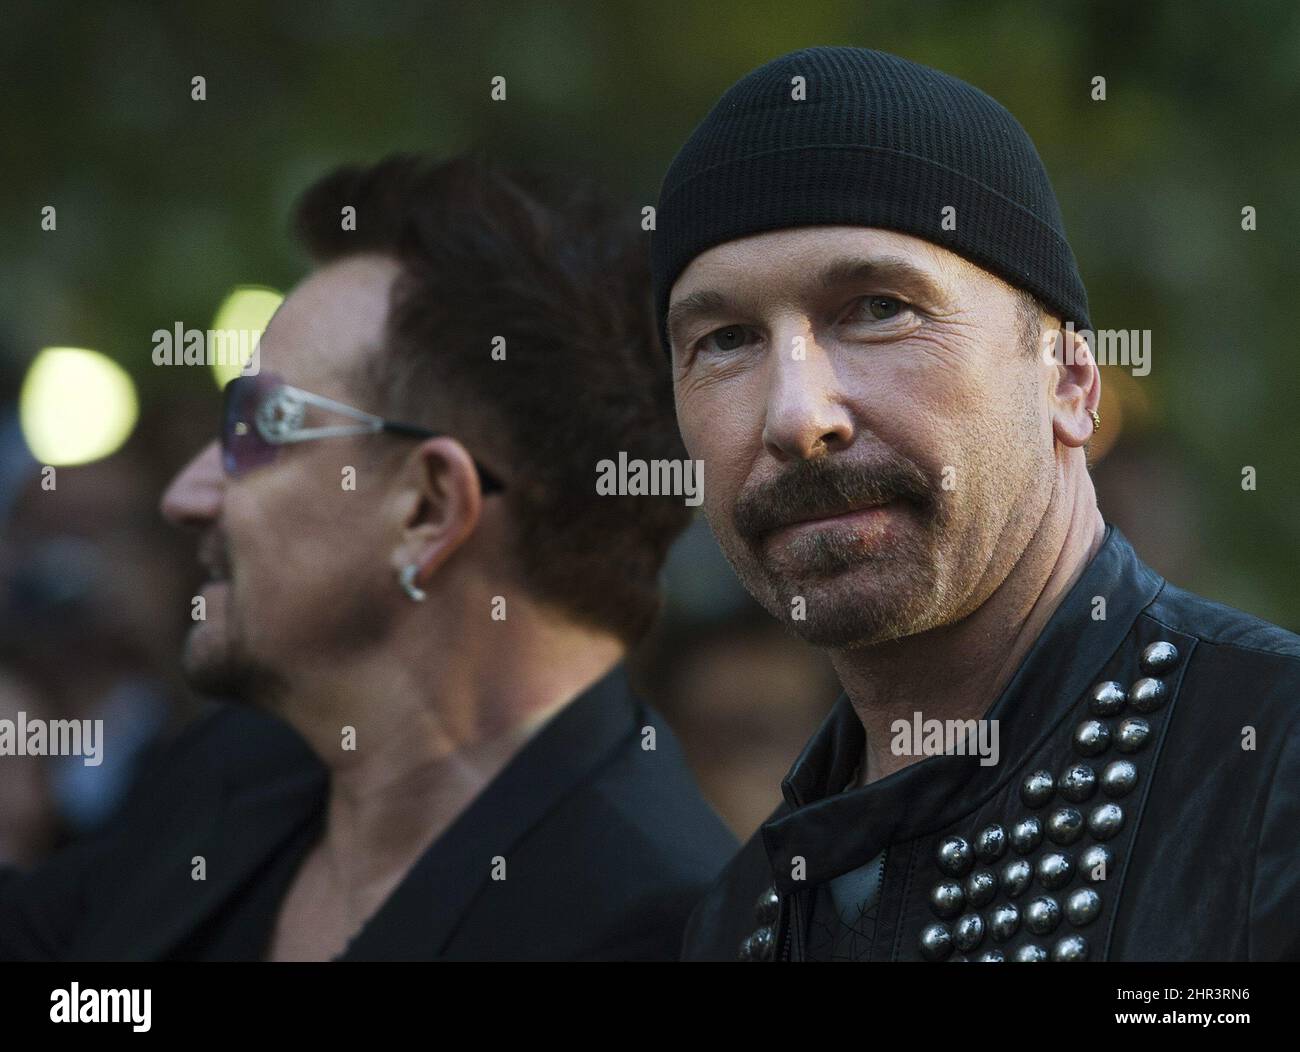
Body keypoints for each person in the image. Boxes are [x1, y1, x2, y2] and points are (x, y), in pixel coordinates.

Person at [651, 46, 1300, 961]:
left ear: (1071, 381)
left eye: (878, 308)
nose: (797, 415)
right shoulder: (739, 922)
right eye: (724, 340)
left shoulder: (1267, 774)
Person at [0, 153, 735, 961]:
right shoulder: (239, 770)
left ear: (428, 509)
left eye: (255, 429)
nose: (186, 495)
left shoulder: (648, 928)